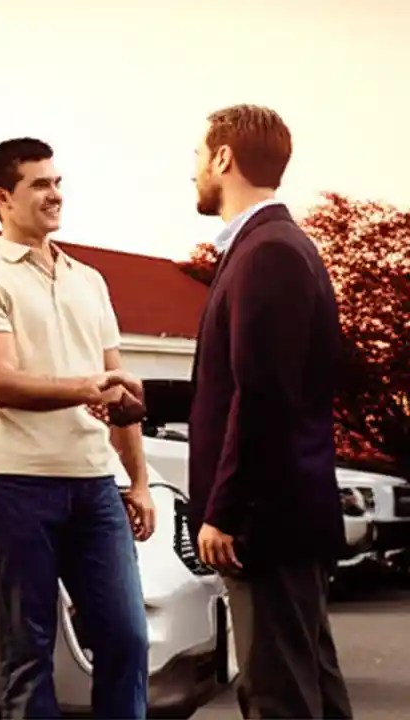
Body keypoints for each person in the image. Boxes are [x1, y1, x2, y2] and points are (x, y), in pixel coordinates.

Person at [0, 137, 155, 719]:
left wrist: (136, 479)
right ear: (2, 197)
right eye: (40, 184)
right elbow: (3, 383)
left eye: (57, 182)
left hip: (94, 486)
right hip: (16, 484)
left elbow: (119, 391)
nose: (55, 194)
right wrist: (87, 388)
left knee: (125, 638)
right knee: (28, 652)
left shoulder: (89, 279)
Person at [187, 103, 352, 719]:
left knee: (278, 696)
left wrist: (224, 511)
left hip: (266, 520)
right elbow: (242, 383)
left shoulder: (268, 253)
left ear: (224, 158)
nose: (195, 171)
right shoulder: (273, 246)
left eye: (198, 157)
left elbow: (264, 399)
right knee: (313, 690)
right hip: (285, 515)